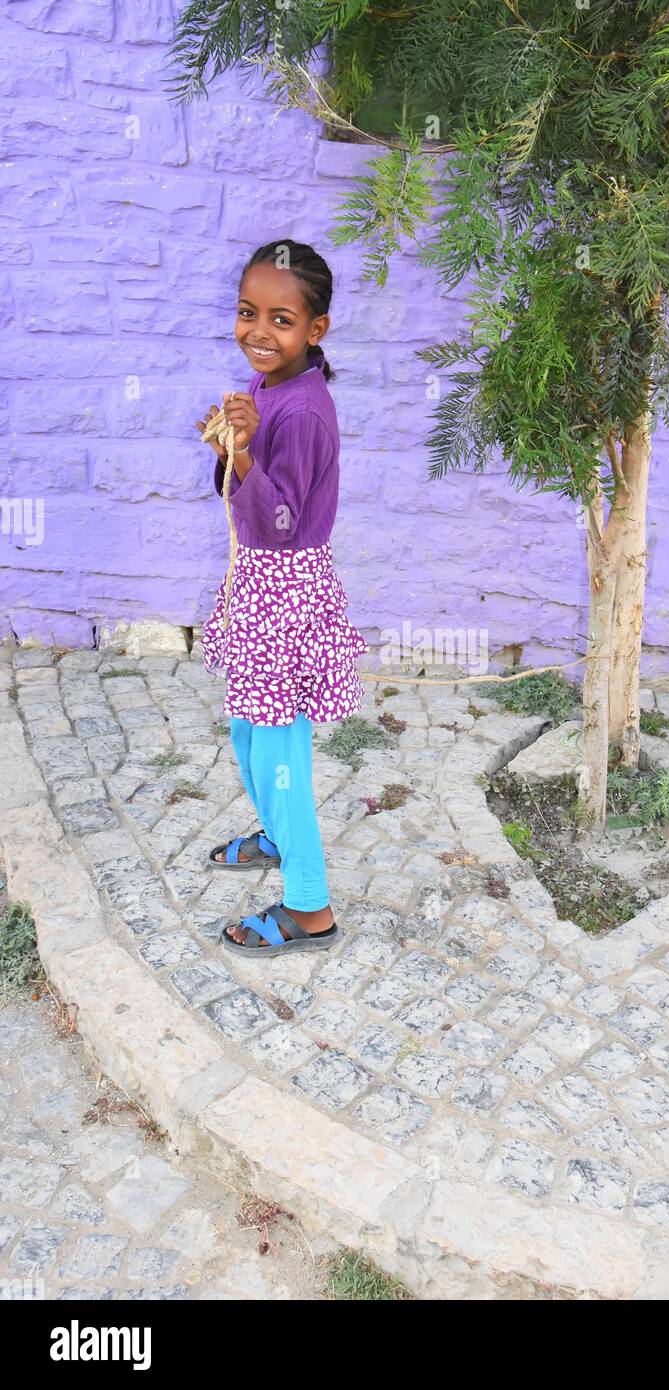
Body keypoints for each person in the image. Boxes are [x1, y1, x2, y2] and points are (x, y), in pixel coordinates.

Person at [196, 239, 367, 956]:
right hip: (260, 588)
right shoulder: (270, 390)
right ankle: (274, 829)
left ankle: (309, 906)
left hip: (286, 593)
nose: (258, 333)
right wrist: (231, 446)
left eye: (280, 320)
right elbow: (255, 490)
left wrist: (242, 454)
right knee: (248, 730)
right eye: (246, 313)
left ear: (315, 330)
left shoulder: (301, 411)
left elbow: (281, 521)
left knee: (281, 748)